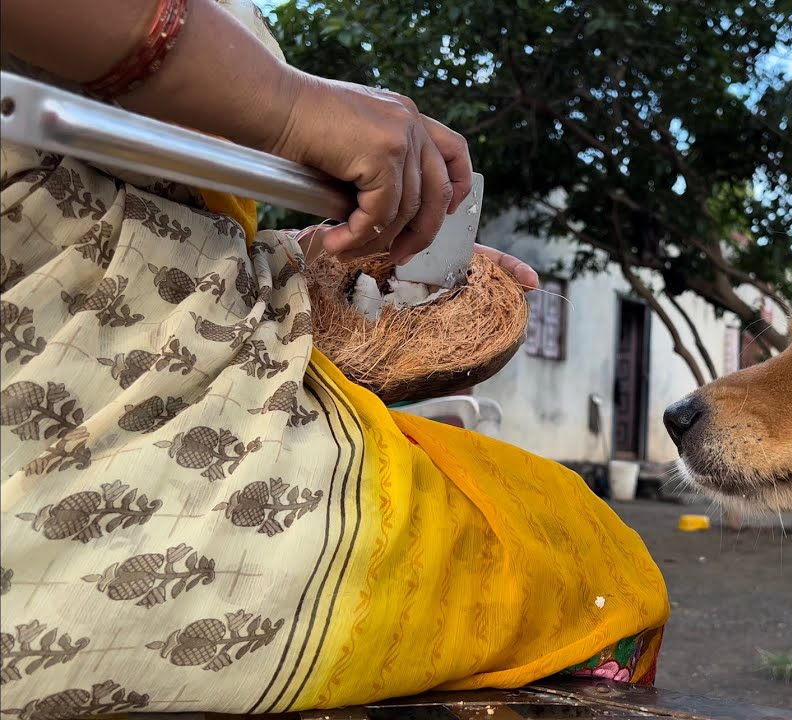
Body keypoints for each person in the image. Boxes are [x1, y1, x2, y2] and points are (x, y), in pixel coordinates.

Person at [0, 0, 669, 715]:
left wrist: (309, 263)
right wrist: (293, 106)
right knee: (590, 562)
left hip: (140, 378)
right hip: (76, 453)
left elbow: (127, 225)